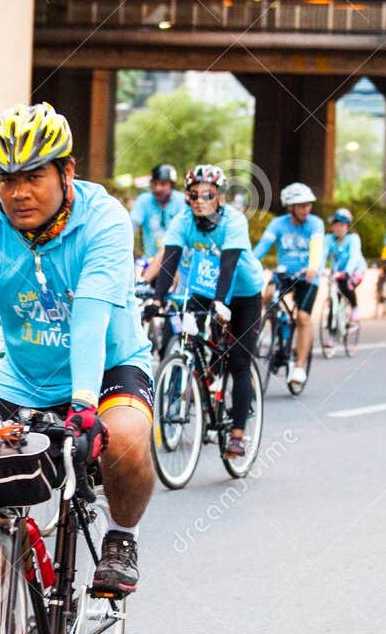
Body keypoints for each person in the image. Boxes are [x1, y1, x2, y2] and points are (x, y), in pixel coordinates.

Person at [0, 102, 154, 599]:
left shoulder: (105, 221)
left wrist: (86, 407)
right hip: (23, 378)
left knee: (128, 438)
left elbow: (90, 321)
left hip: (109, 365)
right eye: (4, 180)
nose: (18, 193)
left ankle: (122, 537)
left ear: (67, 171)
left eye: (32, 176)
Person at [152, 164, 268, 460]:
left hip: (242, 292)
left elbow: (228, 263)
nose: (199, 200)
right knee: (195, 340)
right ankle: (207, 385)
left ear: (220, 197)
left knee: (239, 362)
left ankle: (238, 434)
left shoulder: (234, 221)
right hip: (205, 287)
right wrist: (157, 299)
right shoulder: (183, 220)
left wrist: (221, 302)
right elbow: (170, 261)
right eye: (193, 194)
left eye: (208, 194)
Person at [253, 182, 325, 387]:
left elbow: (317, 246)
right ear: (290, 207)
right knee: (267, 296)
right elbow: (262, 247)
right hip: (284, 273)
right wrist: (247, 262)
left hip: (307, 277)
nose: (306, 209)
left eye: (308, 205)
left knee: (303, 317)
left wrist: (312, 266)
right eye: (301, 205)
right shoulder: (278, 223)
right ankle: (279, 328)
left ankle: (299, 367)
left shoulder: (315, 223)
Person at [131, 164, 183, 274]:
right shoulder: (143, 201)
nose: (158, 188)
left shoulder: (182, 201)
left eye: (163, 184)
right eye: (154, 184)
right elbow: (132, 225)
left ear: (172, 185)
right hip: (149, 262)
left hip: (177, 264)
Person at [325, 207, 366, 326]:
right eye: (335, 224)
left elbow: (354, 257)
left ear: (348, 226)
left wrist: (347, 272)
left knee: (347, 284)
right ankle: (333, 330)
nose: (338, 228)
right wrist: (318, 268)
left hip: (355, 270)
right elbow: (322, 254)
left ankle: (355, 308)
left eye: (342, 225)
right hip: (337, 271)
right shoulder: (328, 239)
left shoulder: (353, 239)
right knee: (333, 297)